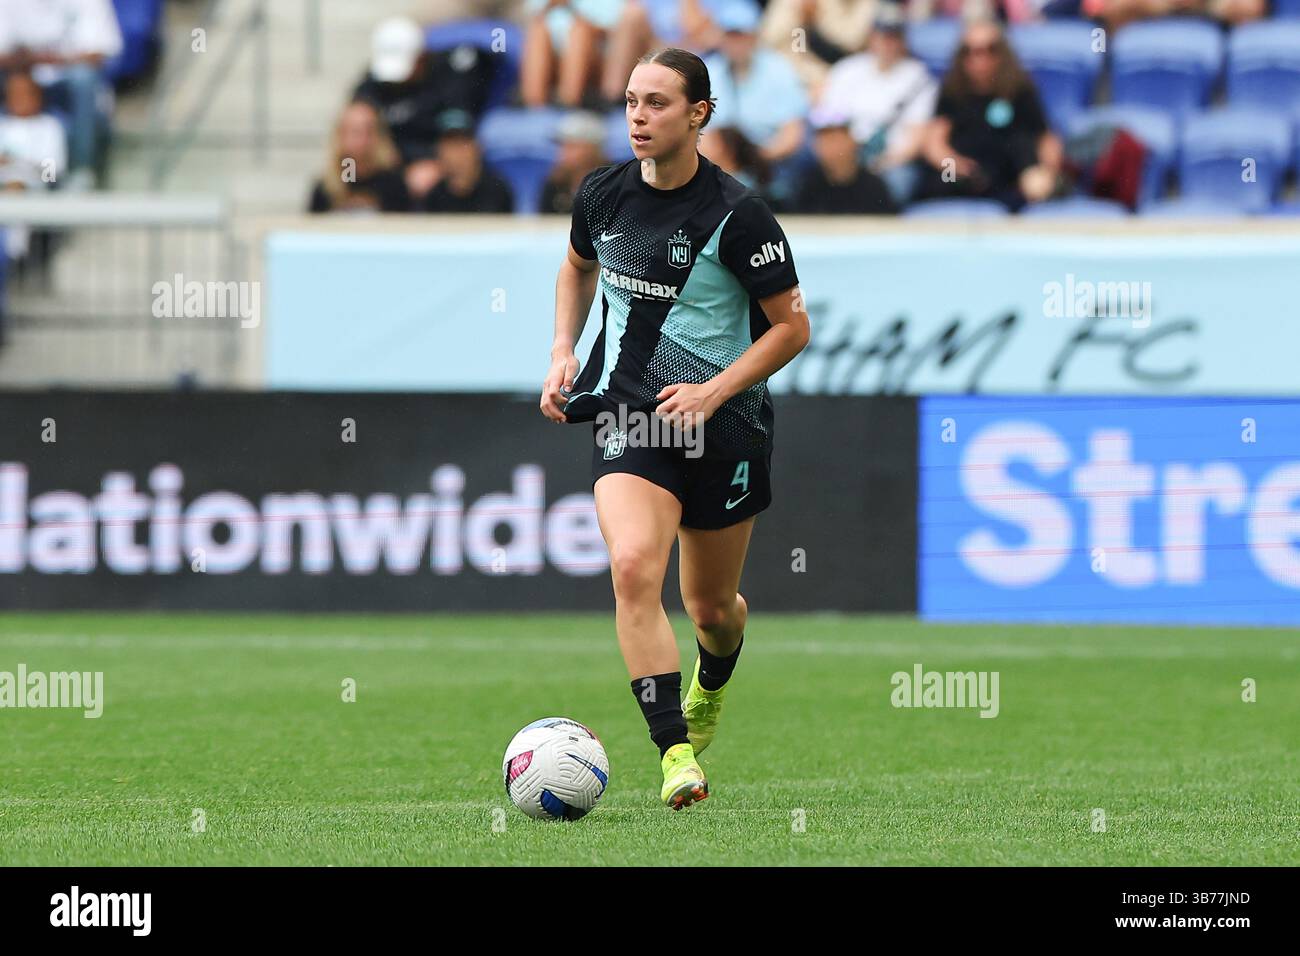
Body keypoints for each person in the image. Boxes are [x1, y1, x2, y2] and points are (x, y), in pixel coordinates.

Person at [538, 47, 809, 811]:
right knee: (631, 566)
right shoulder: (601, 194)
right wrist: (562, 351)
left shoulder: (739, 213)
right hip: (632, 416)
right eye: (630, 101)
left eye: (657, 103)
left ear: (699, 115)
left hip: (725, 426)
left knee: (713, 611)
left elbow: (792, 328)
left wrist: (714, 391)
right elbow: (574, 267)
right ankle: (675, 753)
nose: (638, 116)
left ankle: (712, 686)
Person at [915, 19, 1062, 209]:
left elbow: (1046, 138)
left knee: (1033, 182)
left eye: (989, 49)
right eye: (971, 51)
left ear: (1002, 54)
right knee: (941, 182)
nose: (980, 58)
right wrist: (956, 166)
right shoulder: (951, 91)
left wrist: (1046, 173)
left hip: (1010, 177)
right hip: (963, 173)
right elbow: (935, 141)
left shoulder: (1021, 91)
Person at [817, 3, 935, 206]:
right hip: (846, 156)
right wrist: (847, 160)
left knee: (896, 184)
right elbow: (830, 123)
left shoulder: (919, 77)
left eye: (894, 36)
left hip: (892, 162)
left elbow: (917, 138)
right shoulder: (846, 70)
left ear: (903, 39)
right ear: (871, 36)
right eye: (882, 34)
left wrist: (880, 164)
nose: (888, 42)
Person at [0, 0, 122, 183]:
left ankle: (82, 172)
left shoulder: (50, 129)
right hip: (5, 186)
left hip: (34, 186)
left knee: (83, 78)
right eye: (18, 96)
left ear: (39, 98)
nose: (22, 102)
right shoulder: (5, 127)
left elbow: (49, 171)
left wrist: (28, 173)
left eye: (28, 96)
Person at [308, 99, 410, 213]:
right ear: (340, 135)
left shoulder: (393, 184)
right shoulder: (326, 188)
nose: (362, 139)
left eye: (369, 131)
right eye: (355, 131)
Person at [792, 106, 897, 213]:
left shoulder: (873, 187)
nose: (831, 147)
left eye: (835, 139)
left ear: (852, 140)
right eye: (824, 139)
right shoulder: (807, 186)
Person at [420, 109, 514, 213]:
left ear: (477, 147)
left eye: (462, 144)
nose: (456, 153)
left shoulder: (498, 190)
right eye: (450, 145)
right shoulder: (434, 196)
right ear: (439, 150)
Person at [539, 111, 610, 214]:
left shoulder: (615, 182)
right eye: (562, 146)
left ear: (592, 149)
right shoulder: (554, 185)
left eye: (571, 146)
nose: (563, 153)